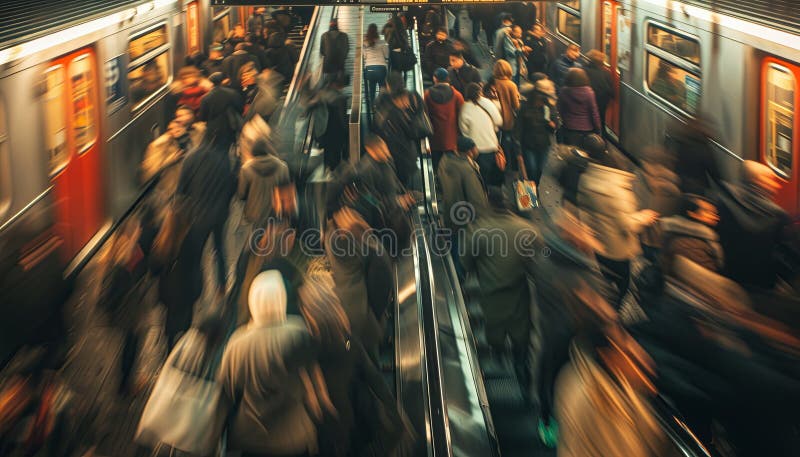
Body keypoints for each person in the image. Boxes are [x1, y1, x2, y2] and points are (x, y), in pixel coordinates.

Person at [219, 270, 320, 457]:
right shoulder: (300, 333)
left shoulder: (237, 343)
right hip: (293, 437)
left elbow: (228, 391)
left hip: (252, 439)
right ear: (281, 299)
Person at [461, 188, 536, 397]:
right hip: (520, 298)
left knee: (495, 336)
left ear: (488, 203)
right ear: (510, 204)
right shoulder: (527, 229)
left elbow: (466, 262)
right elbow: (537, 264)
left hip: (491, 297)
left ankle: (498, 359)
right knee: (522, 343)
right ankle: (524, 382)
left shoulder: (477, 230)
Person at [577, 135, 659, 308]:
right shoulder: (617, 189)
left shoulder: (585, 179)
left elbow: (584, 212)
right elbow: (628, 224)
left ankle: (604, 304)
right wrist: (645, 216)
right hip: (618, 249)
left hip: (598, 245)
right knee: (623, 284)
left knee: (606, 278)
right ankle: (613, 313)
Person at [716, 161, 790, 291]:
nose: (777, 185)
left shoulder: (723, 202)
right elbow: (783, 255)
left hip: (727, 274)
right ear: (756, 182)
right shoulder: (778, 216)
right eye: (770, 179)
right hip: (762, 281)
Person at [373, 71, 424, 187]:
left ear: (388, 85)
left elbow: (377, 126)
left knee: (393, 183)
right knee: (404, 181)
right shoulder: (413, 96)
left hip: (391, 152)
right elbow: (420, 114)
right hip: (409, 150)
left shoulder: (383, 101)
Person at [660, 194, 723, 275]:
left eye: (715, 213)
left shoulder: (698, 237)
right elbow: (706, 277)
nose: (715, 217)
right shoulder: (688, 245)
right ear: (692, 213)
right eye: (708, 212)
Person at [458, 83, 503, 187]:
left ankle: (482, 194)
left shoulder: (464, 108)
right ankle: (493, 194)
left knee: (480, 176)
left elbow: (464, 131)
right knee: (492, 174)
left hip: (476, 150)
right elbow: (499, 121)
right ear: (480, 92)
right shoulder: (488, 102)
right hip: (492, 145)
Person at [516, 78, 559, 185]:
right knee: (532, 169)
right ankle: (531, 190)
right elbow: (518, 129)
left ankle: (535, 188)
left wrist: (549, 121)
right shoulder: (525, 107)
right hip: (528, 144)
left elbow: (554, 126)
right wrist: (518, 151)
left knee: (539, 170)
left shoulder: (548, 107)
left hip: (543, 145)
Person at [424, 68, 464, 170]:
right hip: (452, 141)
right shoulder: (457, 95)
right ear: (448, 79)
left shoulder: (427, 95)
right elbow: (462, 116)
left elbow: (425, 115)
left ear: (435, 79)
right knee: (451, 169)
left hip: (435, 140)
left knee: (437, 167)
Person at [198, 72, 245, 148]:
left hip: (213, 129)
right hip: (231, 125)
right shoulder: (233, 93)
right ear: (222, 81)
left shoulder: (205, 98)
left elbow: (203, 117)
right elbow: (240, 108)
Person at [557, 68, 601, 147]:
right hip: (587, 129)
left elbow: (560, 109)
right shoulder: (589, 92)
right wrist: (598, 128)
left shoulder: (564, 91)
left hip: (569, 128)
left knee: (571, 152)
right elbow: (594, 113)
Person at [492, 60, 521, 172]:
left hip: (495, 117)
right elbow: (515, 105)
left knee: (497, 139)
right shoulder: (511, 85)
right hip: (508, 119)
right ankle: (507, 163)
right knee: (507, 139)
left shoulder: (493, 83)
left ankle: (498, 159)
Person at [583, 50, 614, 134]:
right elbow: (610, 89)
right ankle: (601, 137)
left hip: (588, 101)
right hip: (602, 102)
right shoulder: (606, 73)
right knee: (601, 119)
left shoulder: (583, 71)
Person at [363, 23, 389, 118]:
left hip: (369, 69)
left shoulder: (364, 43)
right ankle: (381, 106)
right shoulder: (382, 42)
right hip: (381, 68)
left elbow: (364, 56)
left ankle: (372, 107)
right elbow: (386, 55)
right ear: (377, 31)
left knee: (372, 89)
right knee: (382, 88)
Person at [320, 19, 350, 85]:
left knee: (328, 85)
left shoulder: (324, 35)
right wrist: (342, 58)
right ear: (337, 25)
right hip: (340, 66)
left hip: (328, 66)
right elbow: (347, 49)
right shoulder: (344, 36)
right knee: (339, 85)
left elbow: (321, 51)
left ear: (330, 25)